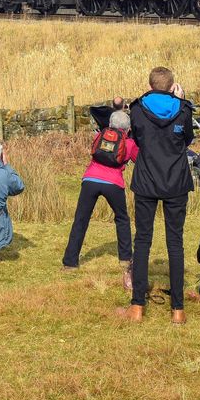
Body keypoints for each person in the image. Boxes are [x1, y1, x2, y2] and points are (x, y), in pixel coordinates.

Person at [112, 67, 197, 324]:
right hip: (176, 180)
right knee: (175, 242)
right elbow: (188, 140)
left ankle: (137, 306)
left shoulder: (138, 109)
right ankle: (177, 310)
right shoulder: (184, 109)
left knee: (143, 240)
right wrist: (180, 101)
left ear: (150, 85)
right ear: (172, 86)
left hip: (147, 179)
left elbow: (137, 138)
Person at [61, 109, 137, 290]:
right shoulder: (129, 143)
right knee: (122, 219)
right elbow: (139, 159)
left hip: (90, 179)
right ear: (128, 129)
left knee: (81, 219)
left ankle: (70, 262)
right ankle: (125, 259)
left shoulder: (99, 136)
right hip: (114, 183)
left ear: (110, 124)